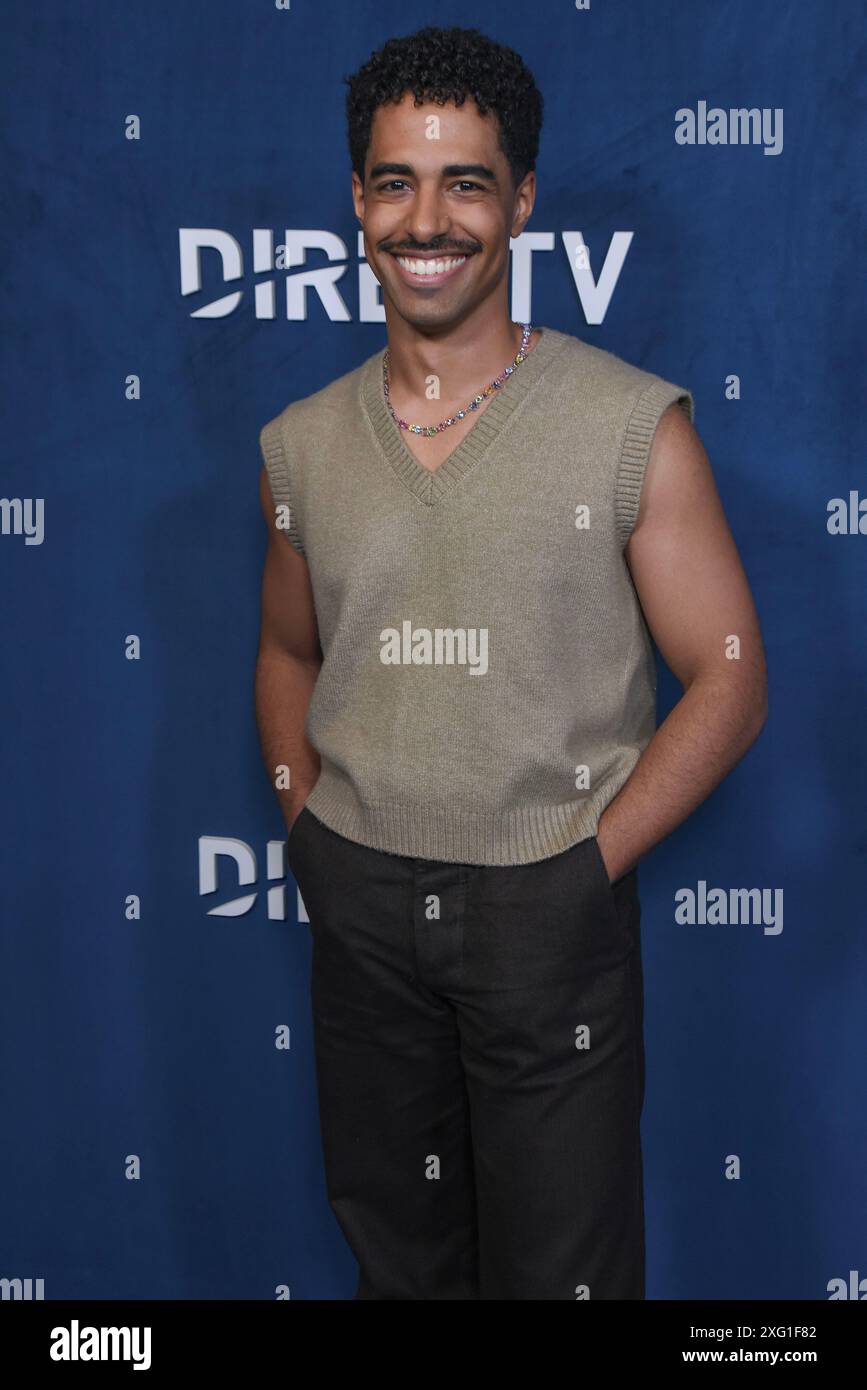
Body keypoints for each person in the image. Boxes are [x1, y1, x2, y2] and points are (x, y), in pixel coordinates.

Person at [254, 25, 767, 1300]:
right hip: (362, 908)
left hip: (550, 916)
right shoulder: (301, 444)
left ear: (523, 200)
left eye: (465, 182)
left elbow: (731, 675)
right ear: (358, 201)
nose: (427, 219)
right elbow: (283, 645)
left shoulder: (627, 424)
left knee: (564, 1276)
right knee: (401, 1265)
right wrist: (305, 820)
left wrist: (585, 863)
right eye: (394, 181)